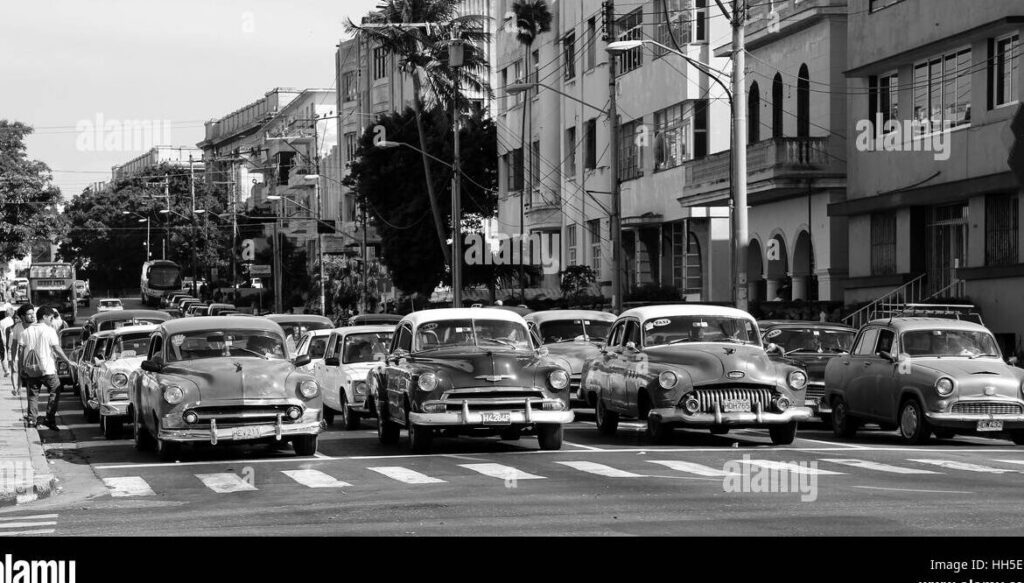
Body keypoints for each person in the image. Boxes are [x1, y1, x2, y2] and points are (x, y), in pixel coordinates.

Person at [17, 306, 72, 429]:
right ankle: (50, 418)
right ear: (45, 317)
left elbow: (20, 352)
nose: (52, 321)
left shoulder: (26, 332)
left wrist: (21, 368)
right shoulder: (49, 330)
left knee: (33, 395)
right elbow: (56, 348)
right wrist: (68, 361)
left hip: (31, 370)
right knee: (55, 389)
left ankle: (32, 420)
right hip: (48, 369)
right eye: (51, 318)